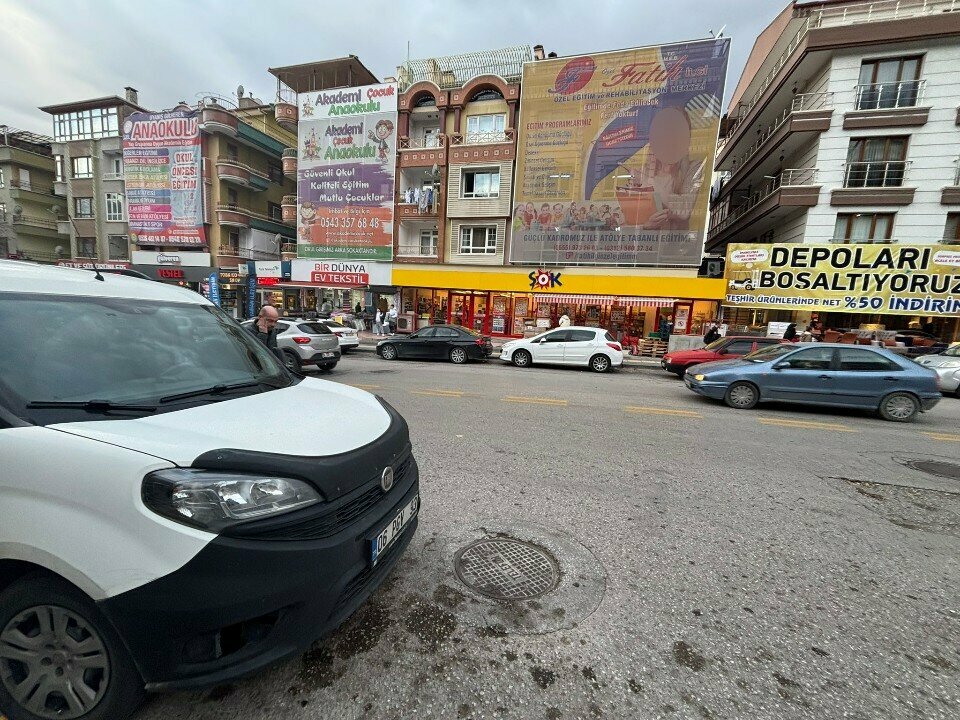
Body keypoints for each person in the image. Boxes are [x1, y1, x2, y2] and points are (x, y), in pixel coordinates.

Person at [629, 106, 705, 231]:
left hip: (676, 247)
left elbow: (684, 211)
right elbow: (629, 219)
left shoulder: (694, 167)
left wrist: (648, 182)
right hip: (644, 246)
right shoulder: (643, 172)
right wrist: (645, 225)